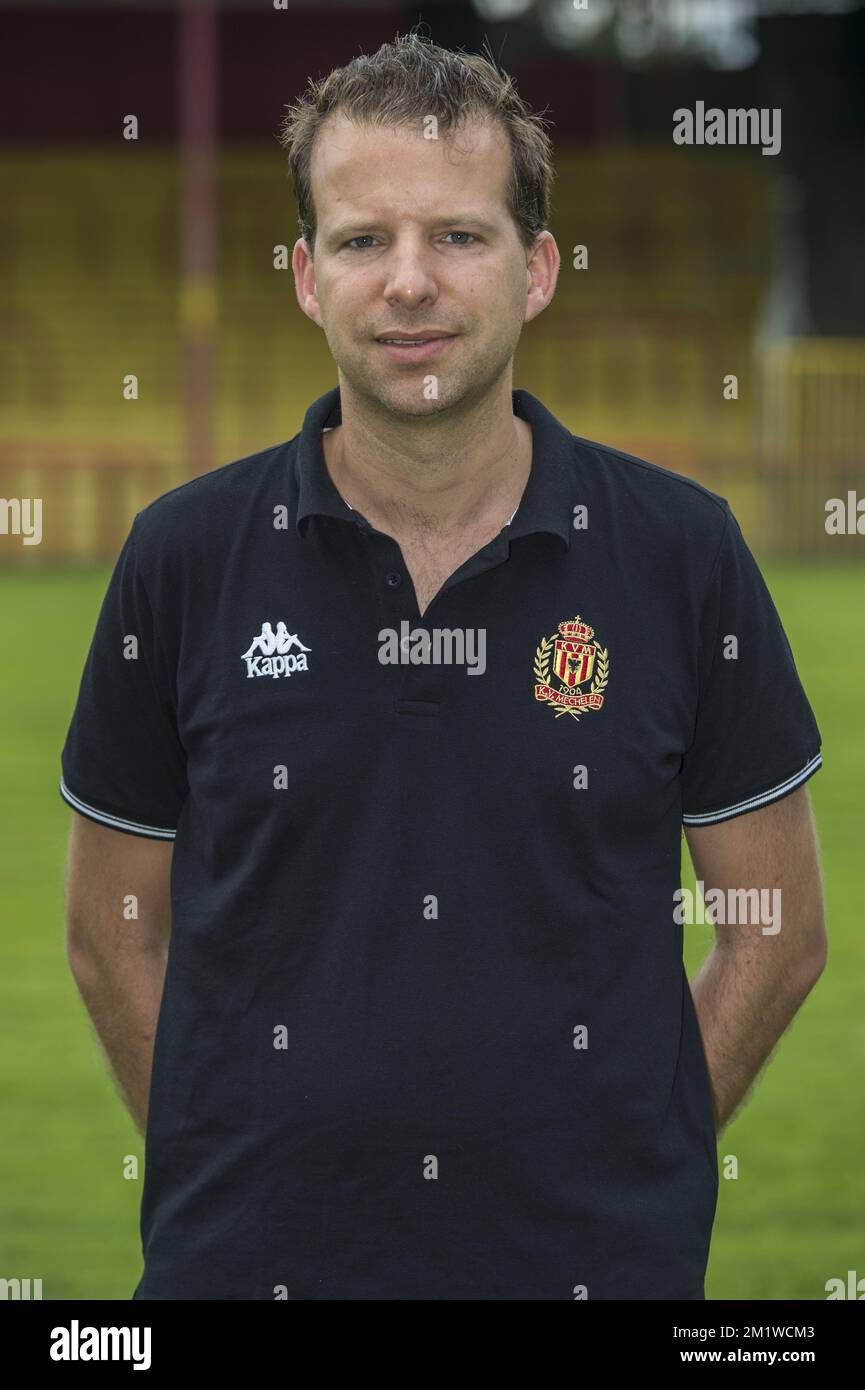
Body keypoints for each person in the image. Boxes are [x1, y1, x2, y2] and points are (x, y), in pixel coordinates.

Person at [60, 31, 826, 1300]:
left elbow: (777, 931)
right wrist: (236, 1166)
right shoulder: (182, 557)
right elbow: (106, 932)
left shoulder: (681, 553)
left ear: (536, 270)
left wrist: (637, 1155)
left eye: (458, 237)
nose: (408, 282)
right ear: (307, 277)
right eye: (364, 241)